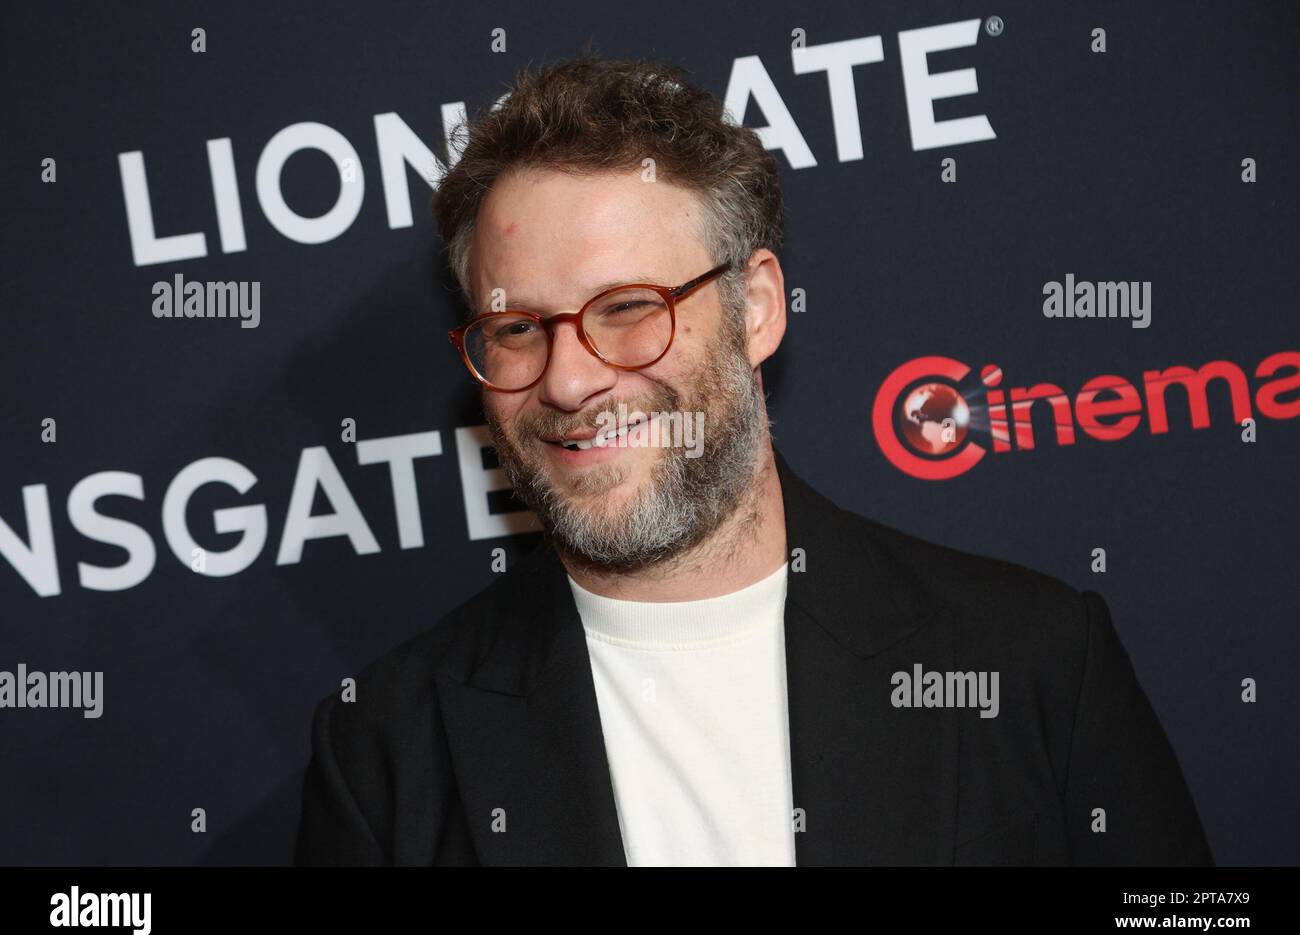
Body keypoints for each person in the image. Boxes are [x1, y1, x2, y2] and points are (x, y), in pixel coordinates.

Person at [294, 53, 1213, 866]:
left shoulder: (1032, 658)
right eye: (518, 327)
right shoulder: (386, 747)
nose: (568, 382)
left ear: (759, 308)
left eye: (626, 307)